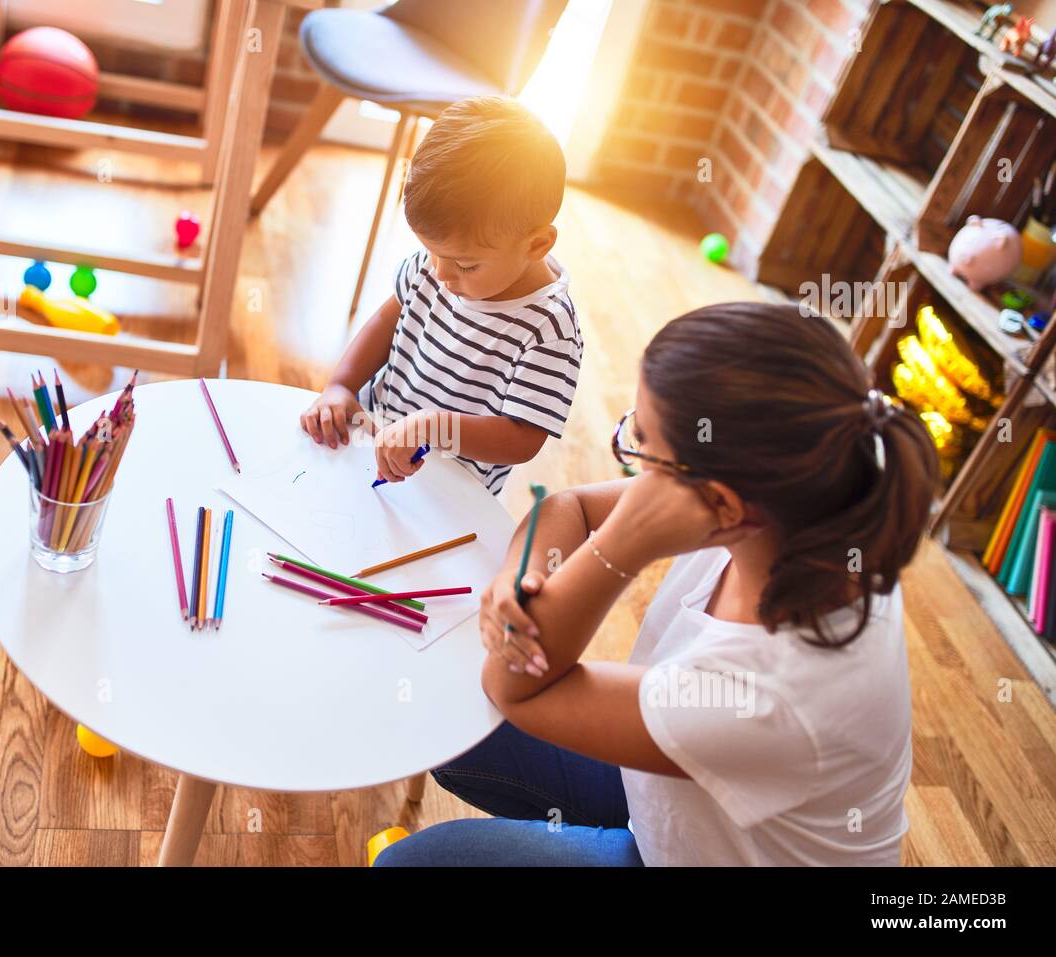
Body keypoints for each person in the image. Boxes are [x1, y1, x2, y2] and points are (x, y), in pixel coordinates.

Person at [375, 302, 938, 865]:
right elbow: (570, 505)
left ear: (720, 504)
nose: (629, 456)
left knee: (408, 864)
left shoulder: (769, 696)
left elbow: (513, 689)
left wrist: (624, 546)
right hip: (676, 791)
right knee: (446, 711)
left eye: (640, 442)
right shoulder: (814, 505)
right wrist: (521, 578)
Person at [299, 96, 581, 495]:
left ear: (536, 244)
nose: (440, 273)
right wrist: (342, 386)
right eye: (433, 252)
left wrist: (434, 426)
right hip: (370, 444)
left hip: (452, 492)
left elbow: (523, 438)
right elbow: (388, 319)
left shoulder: (549, 330)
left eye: (466, 265)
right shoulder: (439, 264)